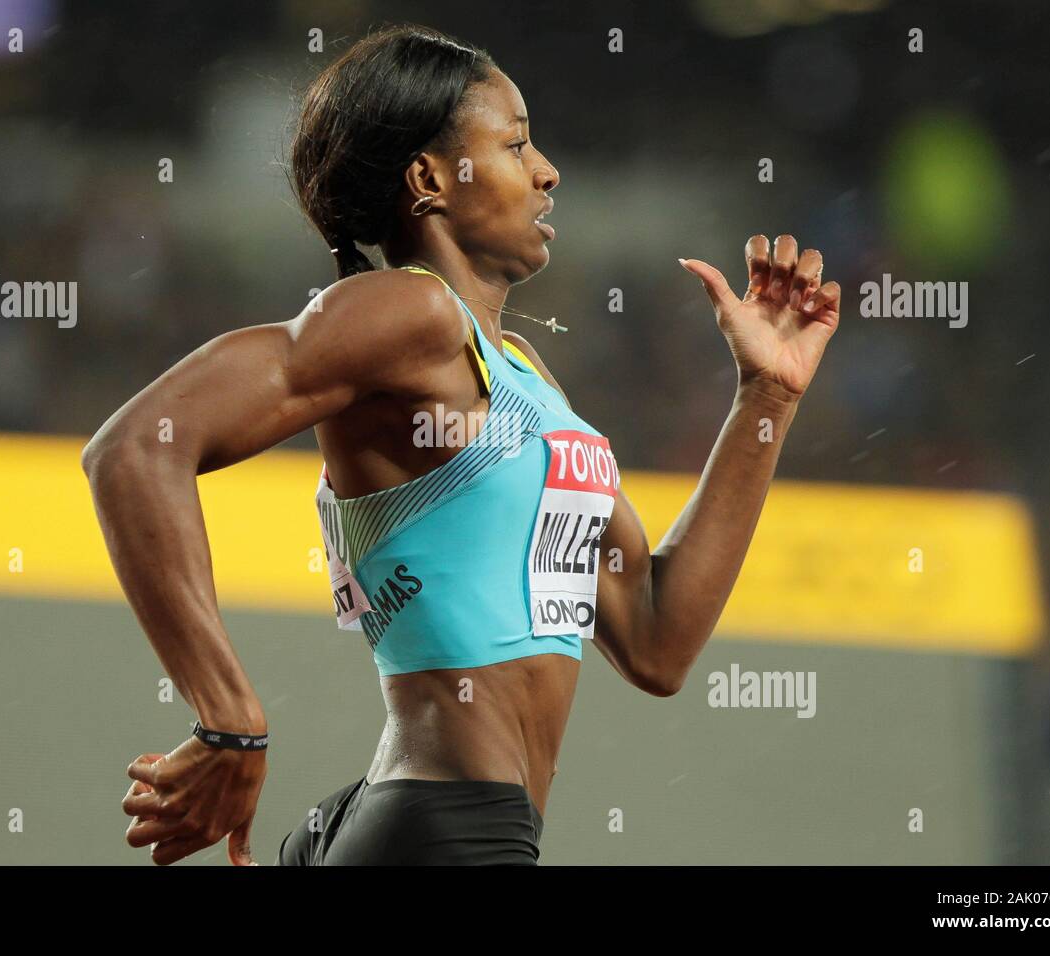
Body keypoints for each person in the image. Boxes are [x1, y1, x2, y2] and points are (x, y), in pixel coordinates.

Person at [81, 23, 841, 866]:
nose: (548, 170)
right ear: (430, 178)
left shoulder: (523, 371)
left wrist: (765, 397)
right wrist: (229, 718)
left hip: (432, 823)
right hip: (447, 827)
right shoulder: (409, 312)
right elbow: (135, 448)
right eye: (516, 144)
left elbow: (658, 639)